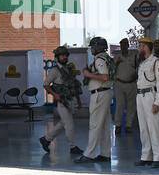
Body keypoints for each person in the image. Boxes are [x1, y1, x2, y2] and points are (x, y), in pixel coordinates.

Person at [39, 45, 83, 157]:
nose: (64, 57)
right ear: (57, 57)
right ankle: (73, 147)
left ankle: (46, 139)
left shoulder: (68, 69)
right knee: (69, 124)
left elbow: (73, 85)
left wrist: (78, 100)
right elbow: (46, 85)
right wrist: (55, 95)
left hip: (70, 100)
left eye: (65, 55)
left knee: (63, 123)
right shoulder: (54, 71)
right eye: (62, 56)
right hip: (62, 101)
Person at [76, 36, 113, 164]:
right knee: (104, 126)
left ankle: (89, 154)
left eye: (93, 46)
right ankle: (105, 153)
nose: (92, 48)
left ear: (99, 47)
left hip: (99, 94)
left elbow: (105, 77)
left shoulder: (100, 60)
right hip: (106, 93)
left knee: (95, 124)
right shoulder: (106, 58)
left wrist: (88, 74)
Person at [136, 38, 159, 167]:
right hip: (140, 95)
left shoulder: (156, 62)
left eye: (142, 46)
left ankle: (157, 157)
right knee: (143, 128)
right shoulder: (142, 63)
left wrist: (157, 102)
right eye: (139, 46)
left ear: (149, 47)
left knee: (153, 127)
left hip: (150, 95)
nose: (140, 48)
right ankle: (146, 156)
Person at [113, 37, 139, 133]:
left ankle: (128, 125)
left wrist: (136, 75)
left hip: (131, 84)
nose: (123, 46)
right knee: (120, 105)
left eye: (125, 45)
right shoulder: (117, 57)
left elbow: (139, 68)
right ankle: (118, 125)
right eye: (121, 45)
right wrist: (117, 63)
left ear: (128, 45)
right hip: (119, 83)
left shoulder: (134, 56)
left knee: (131, 106)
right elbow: (111, 71)